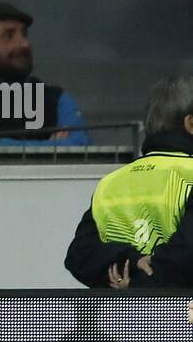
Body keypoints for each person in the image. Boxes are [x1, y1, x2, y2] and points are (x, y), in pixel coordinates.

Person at [65, 76, 193, 289]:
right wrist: (144, 282)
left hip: (121, 318)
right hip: (181, 316)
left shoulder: (111, 183)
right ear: (190, 124)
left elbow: (80, 255)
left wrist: (131, 266)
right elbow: (187, 252)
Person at [0, 0, 90, 147]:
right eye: (8, 35)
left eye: (24, 34)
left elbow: (80, 145)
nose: (24, 43)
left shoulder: (55, 99)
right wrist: (51, 147)